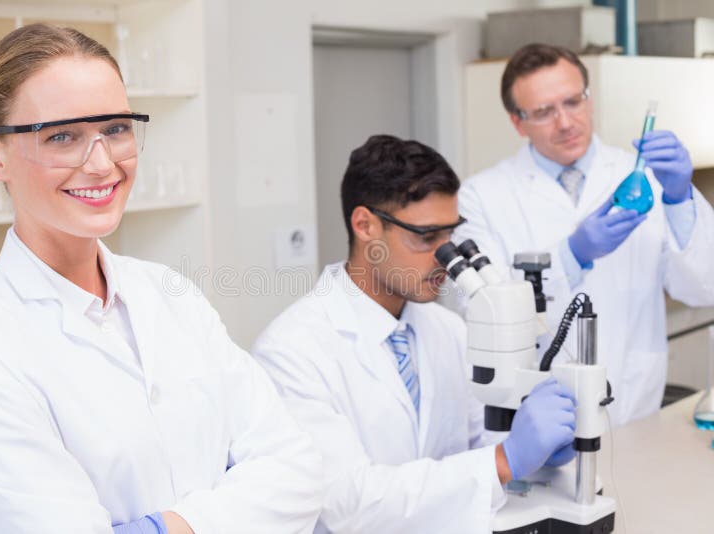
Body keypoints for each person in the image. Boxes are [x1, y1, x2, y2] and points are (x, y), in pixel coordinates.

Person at [0, 24, 323, 534]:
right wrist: (233, 508)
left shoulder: (169, 294)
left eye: (115, 128)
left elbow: (297, 472)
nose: (102, 163)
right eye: (62, 136)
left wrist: (159, 526)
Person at [252, 134, 577, 533]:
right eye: (426, 237)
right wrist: (506, 459)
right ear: (365, 225)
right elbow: (348, 503)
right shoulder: (290, 351)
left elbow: (479, 443)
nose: (447, 257)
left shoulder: (449, 329)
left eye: (450, 235)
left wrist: (538, 451)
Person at [454, 43, 714, 426]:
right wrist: (572, 255)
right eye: (544, 111)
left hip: (632, 412)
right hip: (533, 421)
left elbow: (704, 288)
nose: (564, 122)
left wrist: (677, 196)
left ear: (588, 99)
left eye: (573, 102)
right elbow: (482, 311)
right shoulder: (481, 196)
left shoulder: (646, 180)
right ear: (517, 121)